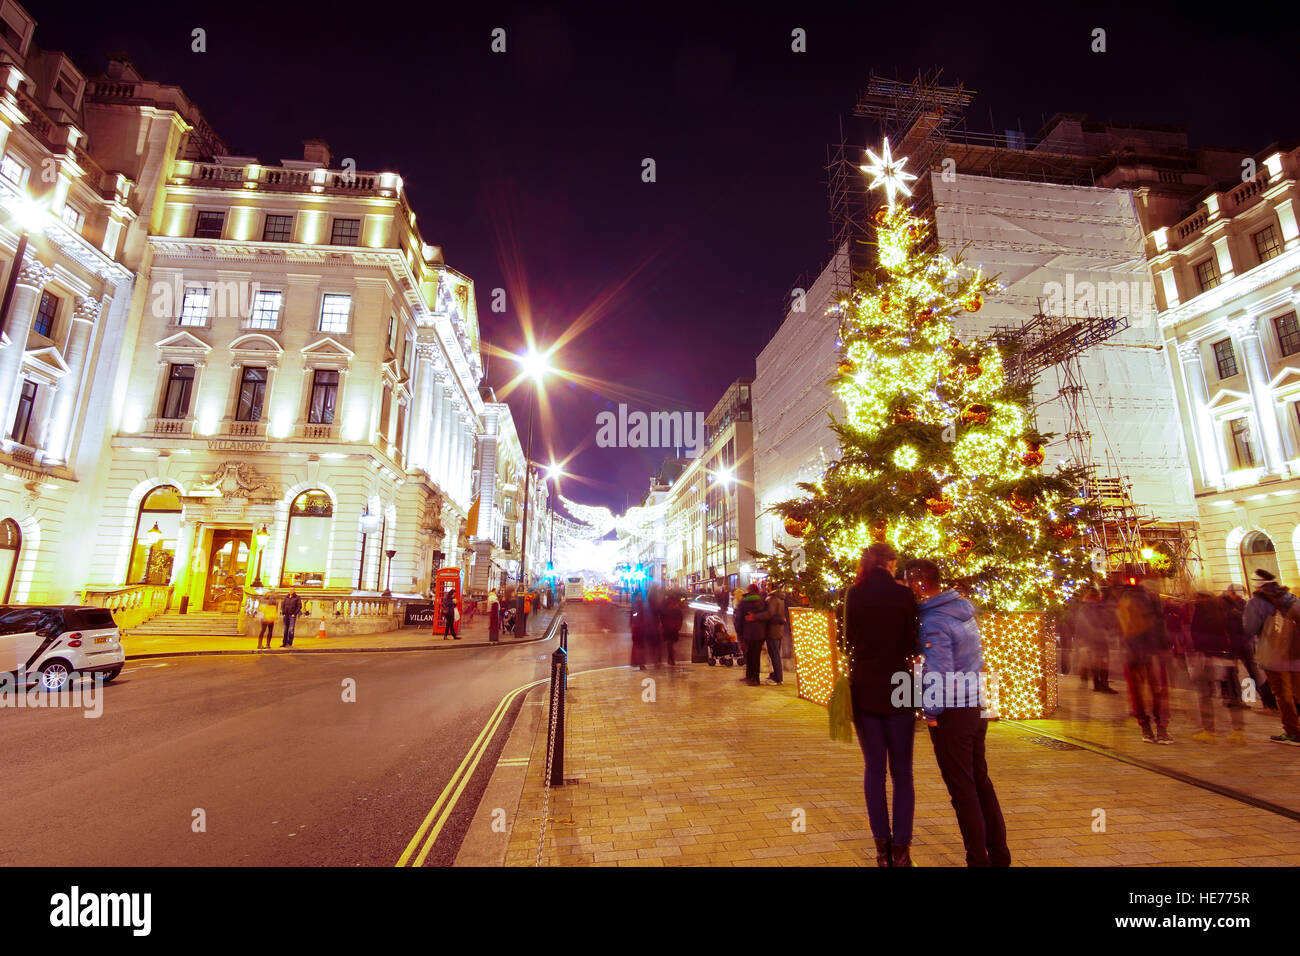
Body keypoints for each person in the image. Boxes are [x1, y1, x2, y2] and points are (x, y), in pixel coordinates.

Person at [906, 558, 1010, 868]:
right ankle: (999, 855)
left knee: (963, 790)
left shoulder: (935, 620)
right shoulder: (962, 610)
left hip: (953, 712)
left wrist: (931, 710)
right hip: (975, 705)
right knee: (980, 783)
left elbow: (940, 671)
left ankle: (977, 859)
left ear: (919, 583)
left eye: (910, 582)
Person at [845, 542, 918, 867]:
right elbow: (911, 644)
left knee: (875, 769)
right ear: (890, 563)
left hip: (864, 684)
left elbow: (846, 640)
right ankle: (902, 851)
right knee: (903, 772)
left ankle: (881, 849)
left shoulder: (854, 594)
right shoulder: (904, 595)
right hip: (900, 684)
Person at [1117, 580, 1173, 744]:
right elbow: (1156, 627)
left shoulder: (1125, 601)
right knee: (1157, 692)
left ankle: (1148, 728)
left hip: (1136, 651)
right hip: (1147, 651)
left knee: (1140, 692)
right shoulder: (1142, 602)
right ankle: (1159, 729)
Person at [1187, 592, 1246, 743]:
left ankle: (1209, 732)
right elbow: (1240, 633)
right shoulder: (1229, 610)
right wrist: (1234, 654)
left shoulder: (1201, 611)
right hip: (1228, 657)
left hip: (1208, 657)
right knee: (1232, 695)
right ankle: (1238, 733)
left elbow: (1196, 634)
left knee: (1206, 695)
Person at [1250, 571, 1300, 744]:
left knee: (1283, 695)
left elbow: (1250, 628)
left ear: (1257, 583)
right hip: (1296, 653)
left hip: (1274, 655)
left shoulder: (1256, 602)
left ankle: (1293, 731)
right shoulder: (1292, 598)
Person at [1222, 586, 1275, 710]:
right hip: (1231, 643)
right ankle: (1237, 699)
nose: (1239, 597)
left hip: (1245, 641)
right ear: (1230, 593)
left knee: (1253, 671)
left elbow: (1249, 622)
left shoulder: (1244, 604)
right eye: (1236, 595)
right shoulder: (1222, 605)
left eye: (1241, 595)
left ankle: (1266, 700)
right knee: (1232, 672)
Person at [1074, 587, 1118, 693]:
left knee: (1097, 662)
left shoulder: (1086, 608)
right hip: (1097, 639)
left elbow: (1080, 625)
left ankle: (1098, 684)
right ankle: (1101, 684)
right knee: (1101, 662)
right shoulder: (1094, 608)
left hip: (1095, 639)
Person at [746, 581, 786, 685]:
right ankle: (776, 675)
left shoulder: (772, 598)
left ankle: (778, 678)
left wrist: (755, 617)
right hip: (778, 629)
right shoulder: (780, 597)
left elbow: (769, 614)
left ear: (772, 586)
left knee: (774, 655)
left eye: (768, 585)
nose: (766, 586)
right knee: (775, 653)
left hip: (772, 630)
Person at [735, 583, 766, 685]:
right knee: (756, 656)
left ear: (748, 591)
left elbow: (739, 619)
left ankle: (749, 677)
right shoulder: (762, 601)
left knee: (748, 655)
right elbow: (766, 617)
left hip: (747, 633)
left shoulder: (744, 603)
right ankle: (756, 678)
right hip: (760, 633)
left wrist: (739, 632)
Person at [660, 592, 684, 665]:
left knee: (669, 643)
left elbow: (662, 615)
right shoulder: (676, 604)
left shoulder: (666, 604)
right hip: (674, 626)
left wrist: (663, 624)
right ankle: (671, 658)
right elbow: (680, 616)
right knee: (671, 642)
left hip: (667, 626)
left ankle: (671, 657)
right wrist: (679, 625)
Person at [630, 595, 648, 670]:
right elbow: (633, 619)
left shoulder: (641, 608)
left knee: (639, 647)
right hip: (638, 630)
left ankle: (638, 663)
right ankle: (639, 663)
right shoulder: (637, 609)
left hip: (639, 630)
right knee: (639, 647)